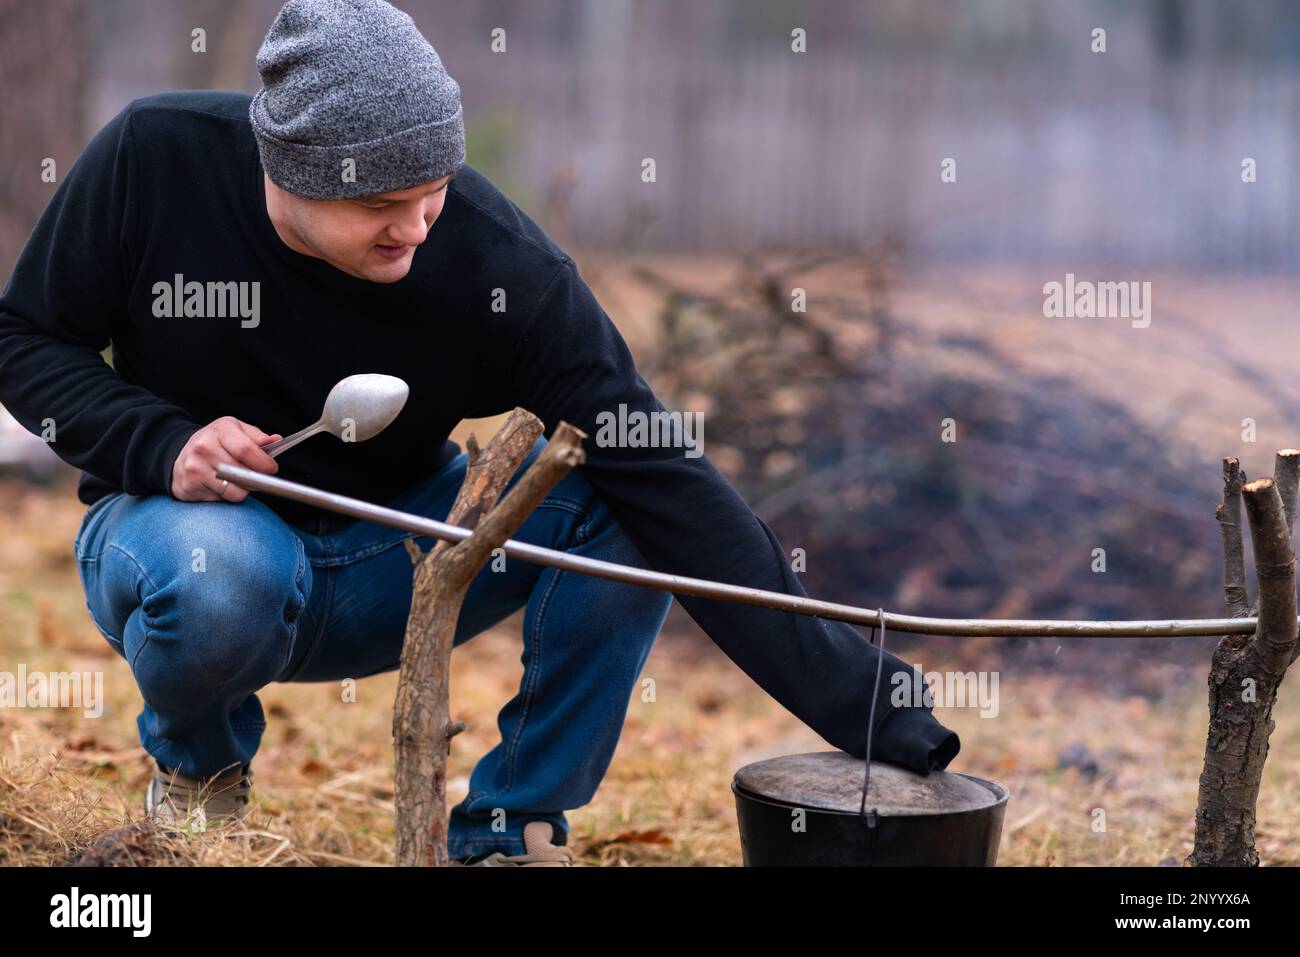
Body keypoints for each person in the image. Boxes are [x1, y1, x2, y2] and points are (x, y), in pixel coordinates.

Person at [0, 0, 959, 865]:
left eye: (434, 191)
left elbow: (666, 477)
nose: (416, 229)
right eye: (380, 204)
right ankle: (199, 788)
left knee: (620, 506)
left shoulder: (500, 266)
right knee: (222, 572)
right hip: (193, 545)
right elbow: (25, 339)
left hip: (405, 561)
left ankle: (512, 835)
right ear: (284, 168)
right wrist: (161, 441)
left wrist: (878, 710)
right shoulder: (152, 160)